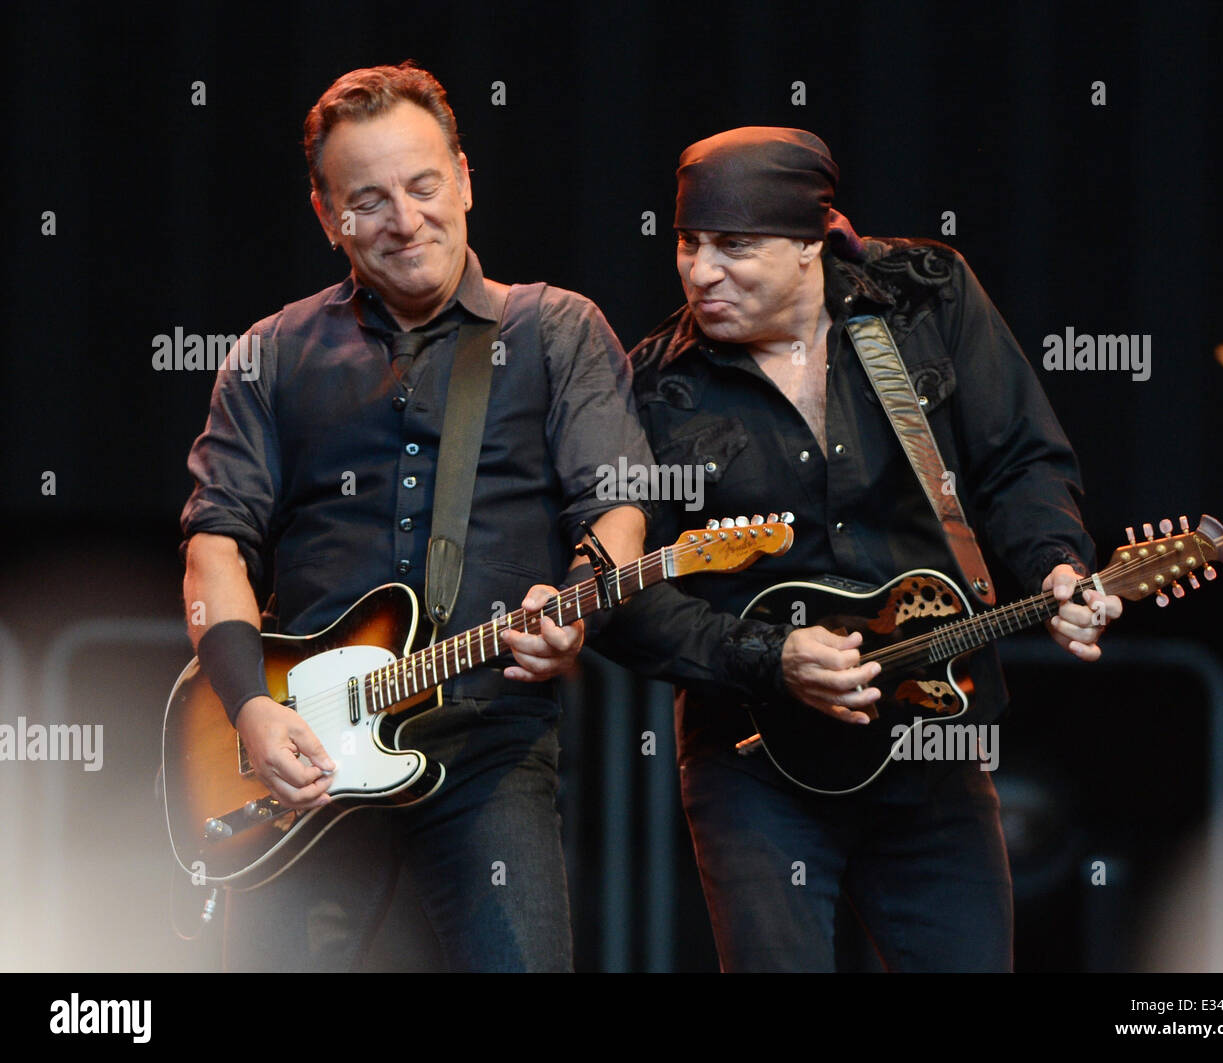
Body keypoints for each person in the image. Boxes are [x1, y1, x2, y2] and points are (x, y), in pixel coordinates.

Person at [594, 127, 1123, 972]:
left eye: (735, 247)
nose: (701, 271)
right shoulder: (658, 385)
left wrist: (1056, 562)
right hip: (755, 765)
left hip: (931, 741)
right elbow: (623, 599)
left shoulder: (924, 296)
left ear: (811, 245)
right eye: (687, 244)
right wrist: (771, 656)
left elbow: (1018, 458)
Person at [178, 62, 650, 972]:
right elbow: (215, 543)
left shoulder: (556, 330)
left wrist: (580, 605)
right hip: (302, 748)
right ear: (328, 217)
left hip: (489, 742)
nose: (404, 219)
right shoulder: (270, 354)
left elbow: (616, 506)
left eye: (425, 185)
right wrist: (247, 709)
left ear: (465, 179)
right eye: (369, 200)